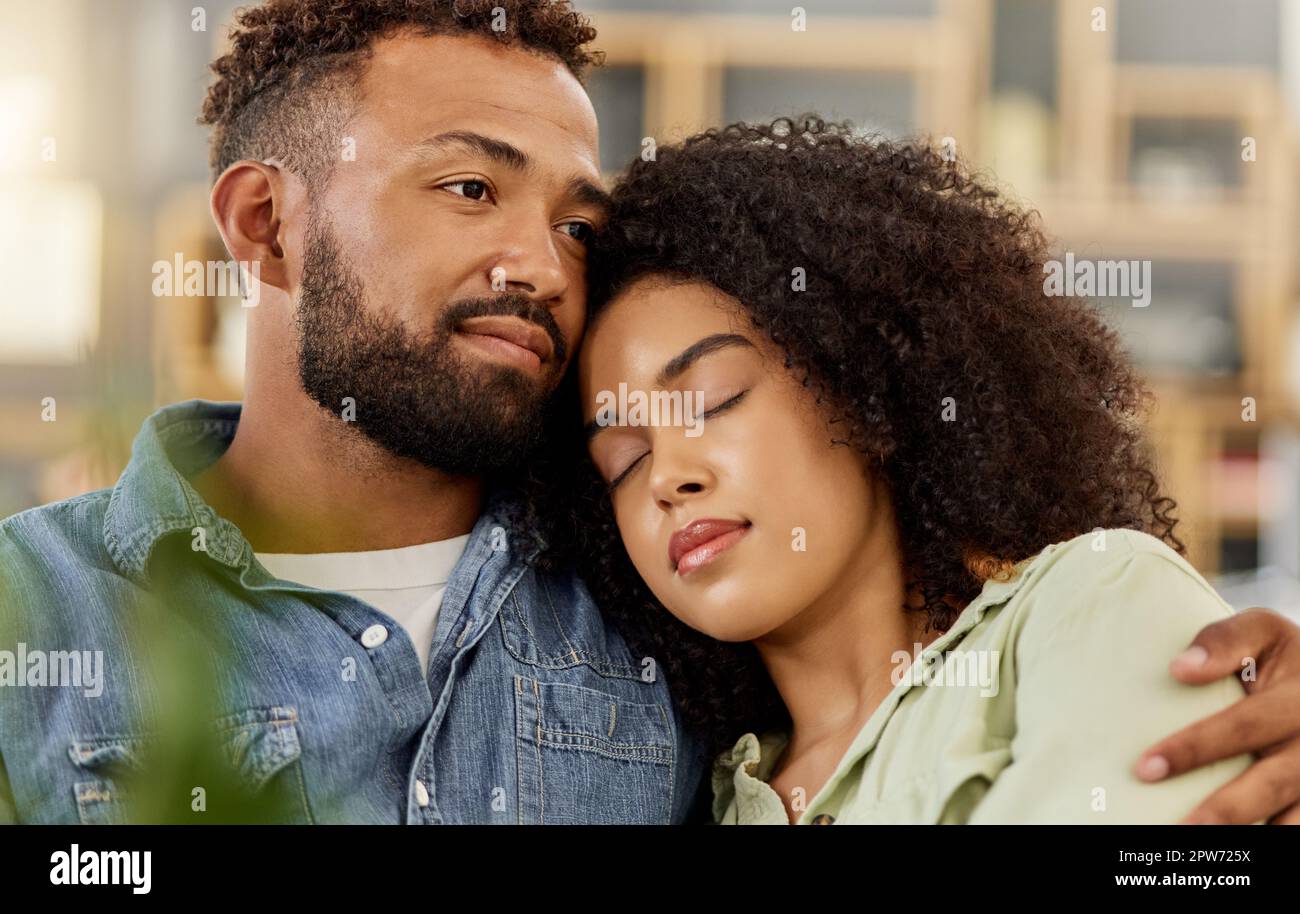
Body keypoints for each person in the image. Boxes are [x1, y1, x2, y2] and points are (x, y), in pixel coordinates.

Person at [1, 1, 1299, 825]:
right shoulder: (32, 616)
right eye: (469, 189)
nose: (541, 263)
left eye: (577, 223)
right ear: (265, 224)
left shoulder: (655, 629)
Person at [527, 116, 1300, 823]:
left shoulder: (1095, 603)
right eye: (625, 459)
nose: (667, 476)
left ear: (861, 383)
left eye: (712, 399)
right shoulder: (707, 795)